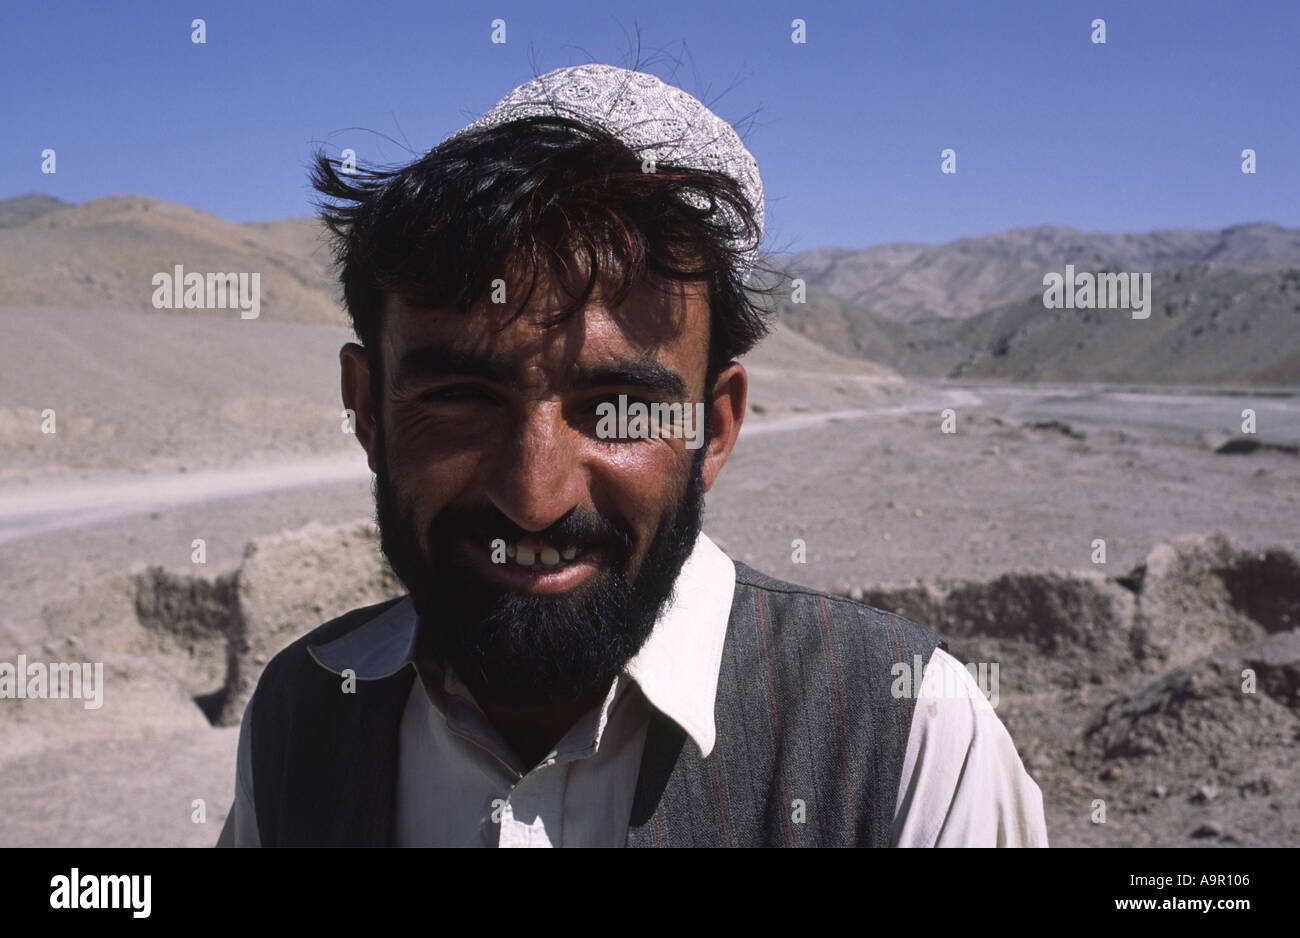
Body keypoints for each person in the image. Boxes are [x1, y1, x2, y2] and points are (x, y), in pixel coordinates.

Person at [216, 63, 1047, 847]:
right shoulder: (304, 714)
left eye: (616, 410)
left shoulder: (910, 735)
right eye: (462, 398)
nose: (534, 498)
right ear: (365, 409)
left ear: (712, 432)